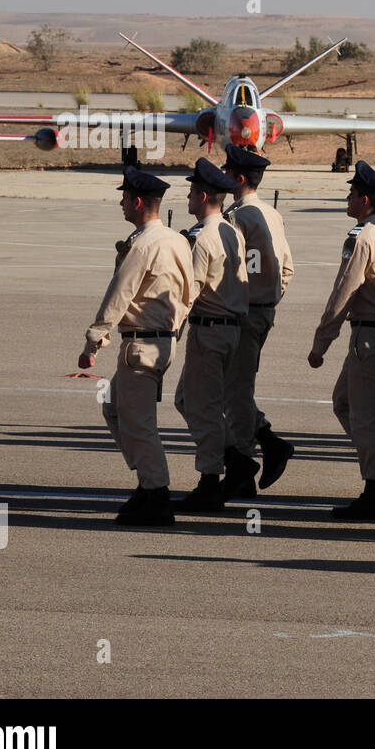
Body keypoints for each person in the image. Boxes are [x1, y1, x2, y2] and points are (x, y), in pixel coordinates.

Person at [79, 166, 193, 526]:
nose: (121, 204)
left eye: (124, 198)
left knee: (139, 423)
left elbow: (120, 294)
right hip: (161, 340)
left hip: (140, 344)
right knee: (114, 408)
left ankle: (156, 494)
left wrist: (95, 339)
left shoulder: (142, 245)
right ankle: (147, 482)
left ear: (138, 201)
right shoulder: (177, 240)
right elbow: (190, 292)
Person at [308, 161, 375, 520]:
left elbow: (343, 292)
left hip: (369, 336)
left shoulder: (362, 237)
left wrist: (321, 343)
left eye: (351, 193)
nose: (348, 198)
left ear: (364, 200)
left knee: (363, 414)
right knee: (350, 404)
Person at [173, 158, 248, 512]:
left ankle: (209, 480)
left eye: (191, 192)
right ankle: (235, 456)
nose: (188, 197)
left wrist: (169, 337)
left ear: (203, 196)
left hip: (210, 329)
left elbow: (190, 292)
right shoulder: (231, 230)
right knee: (189, 400)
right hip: (229, 328)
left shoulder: (202, 238)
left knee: (202, 407)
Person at [221, 145, 295, 498]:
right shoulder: (270, 213)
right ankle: (259, 448)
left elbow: (229, 270)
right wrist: (271, 298)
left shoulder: (237, 218)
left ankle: (246, 463)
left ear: (238, 178)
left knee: (234, 392)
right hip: (264, 310)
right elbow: (288, 269)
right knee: (237, 389)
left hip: (243, 313)